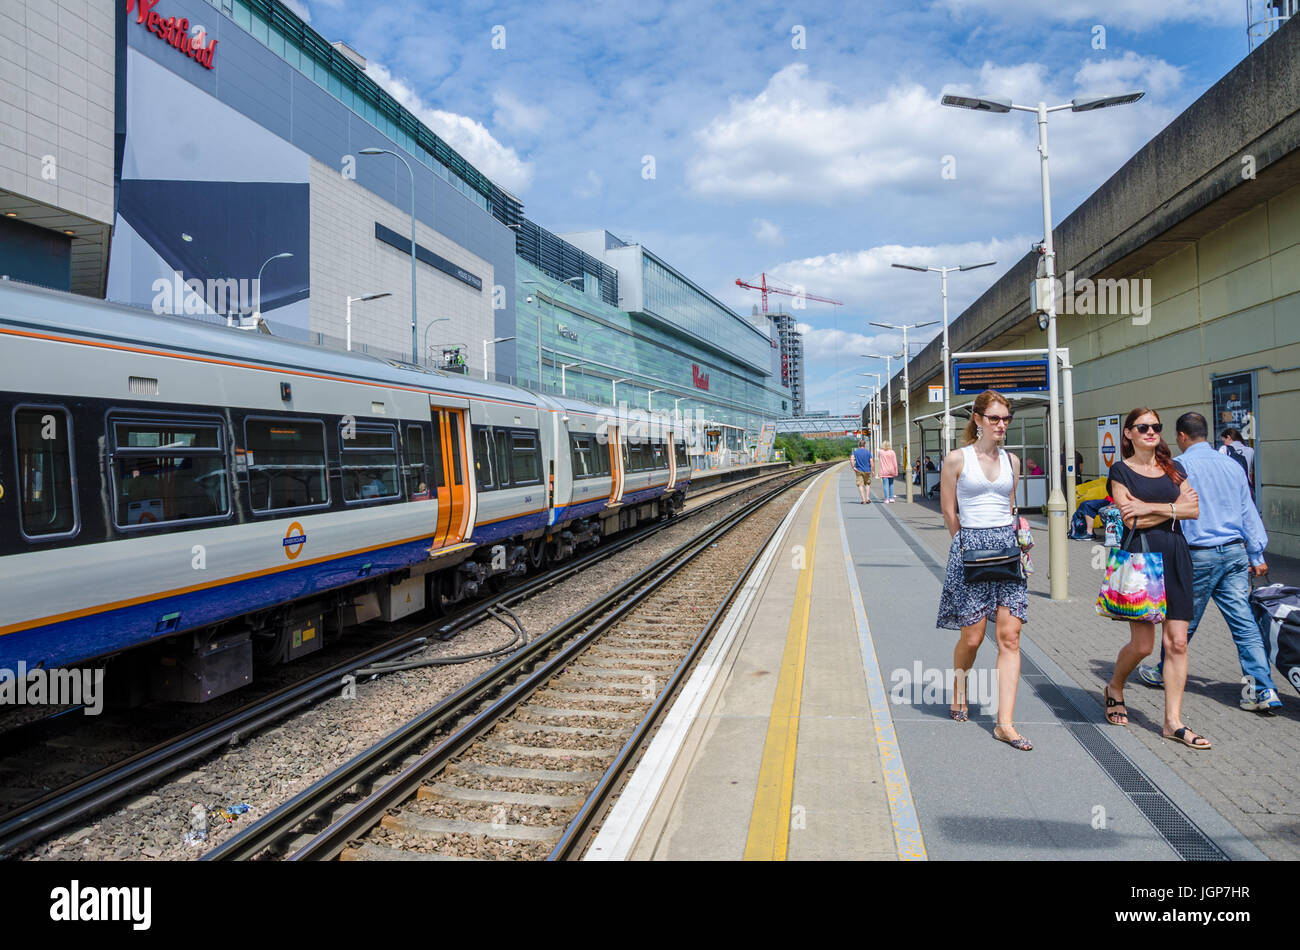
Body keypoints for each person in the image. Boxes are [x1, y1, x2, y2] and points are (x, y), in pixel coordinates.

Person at [1137, 413, 1280, 711]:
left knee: (1181, 623)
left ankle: (1166, 671)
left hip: (1197, 554)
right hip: (1235, 554)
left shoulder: (1179, 467)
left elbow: (1171, 512)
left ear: (1181, 436)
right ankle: (1263, 690)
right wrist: (1257, 554)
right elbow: (1247, 510)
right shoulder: (1232, 466)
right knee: (1244, 624)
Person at [1101, 408, 1208, 749]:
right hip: (1141, 559)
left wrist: (1148, 508)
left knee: (1177, 642)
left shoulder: (1174, 468)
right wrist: (1170, 508)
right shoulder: (1120, 470)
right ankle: (1115, 686)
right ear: (1129, 434)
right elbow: (1128, 519)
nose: (1151, 431)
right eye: (1143, 427)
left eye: (1156, 427)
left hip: (1176, 555)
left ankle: (1172, 722)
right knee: (1145, 646)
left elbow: (1195, 510)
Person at [937, 390, 1031, 751]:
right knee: (973, 638)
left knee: (1010, 637)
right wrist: (964, 546)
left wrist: (1016, 541)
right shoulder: (957, 459)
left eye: (1006, 418)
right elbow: (949, 511)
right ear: (977, 419)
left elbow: (1010, 506)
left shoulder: (1013, 461)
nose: (1001, 425)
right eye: (994, 418)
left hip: (1007, 553)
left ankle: (1004, 724)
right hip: (971, 550)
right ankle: (960, 686)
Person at [1218, 427, 1255, 500]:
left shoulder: (1224, 449)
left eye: (1224, 441)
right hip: (1246, 489)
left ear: (1228, 437)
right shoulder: (1251, 451)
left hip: (1230, 490)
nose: (1224, 443)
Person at [851, 439, 873, 504]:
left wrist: (853, 467)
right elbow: (871, 462)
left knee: (860, 485)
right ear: (864, 445)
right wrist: (873, 470)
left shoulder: (855, 452)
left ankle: (863, 500)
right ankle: (868, 498)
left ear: (859, 445)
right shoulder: (868, 452)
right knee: (867, 484)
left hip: (858, 470)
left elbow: (851, 459)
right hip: (867, 470)